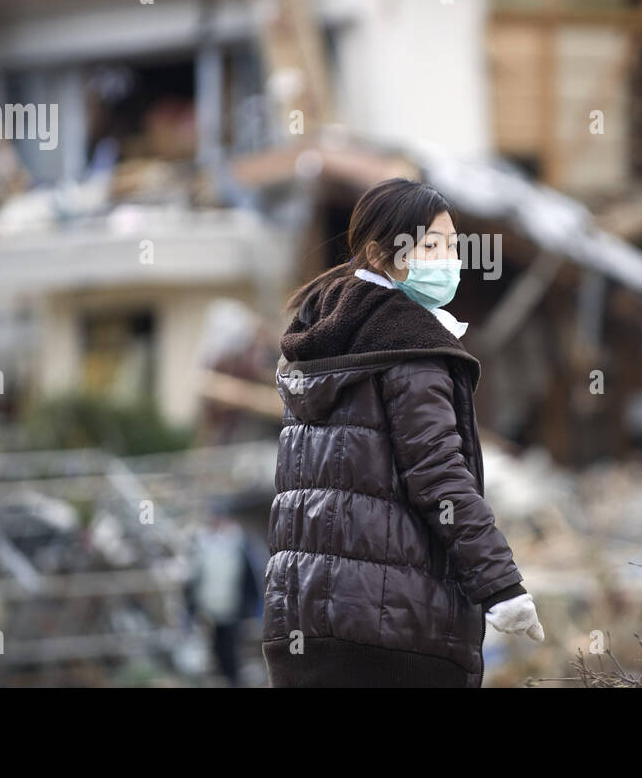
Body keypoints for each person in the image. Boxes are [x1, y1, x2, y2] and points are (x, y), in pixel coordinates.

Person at [263, 177, 543, 687]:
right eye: (432, 246)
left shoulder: (319, 343)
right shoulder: (409, 347)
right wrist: (502, 587)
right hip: (391, 627)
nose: (450, 258)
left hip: (301, 624)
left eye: (454, 245)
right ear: (379, 254)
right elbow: (438, 477)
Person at [186, 500, 262, 686]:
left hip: (232, 606)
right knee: (215, 648)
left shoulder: (238, 543)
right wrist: (193, 606)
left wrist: (251, 605)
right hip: (209, 607)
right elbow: (194, 578)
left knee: (231, 648)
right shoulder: (202, 545)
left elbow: (250, 575)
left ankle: (232, 680)